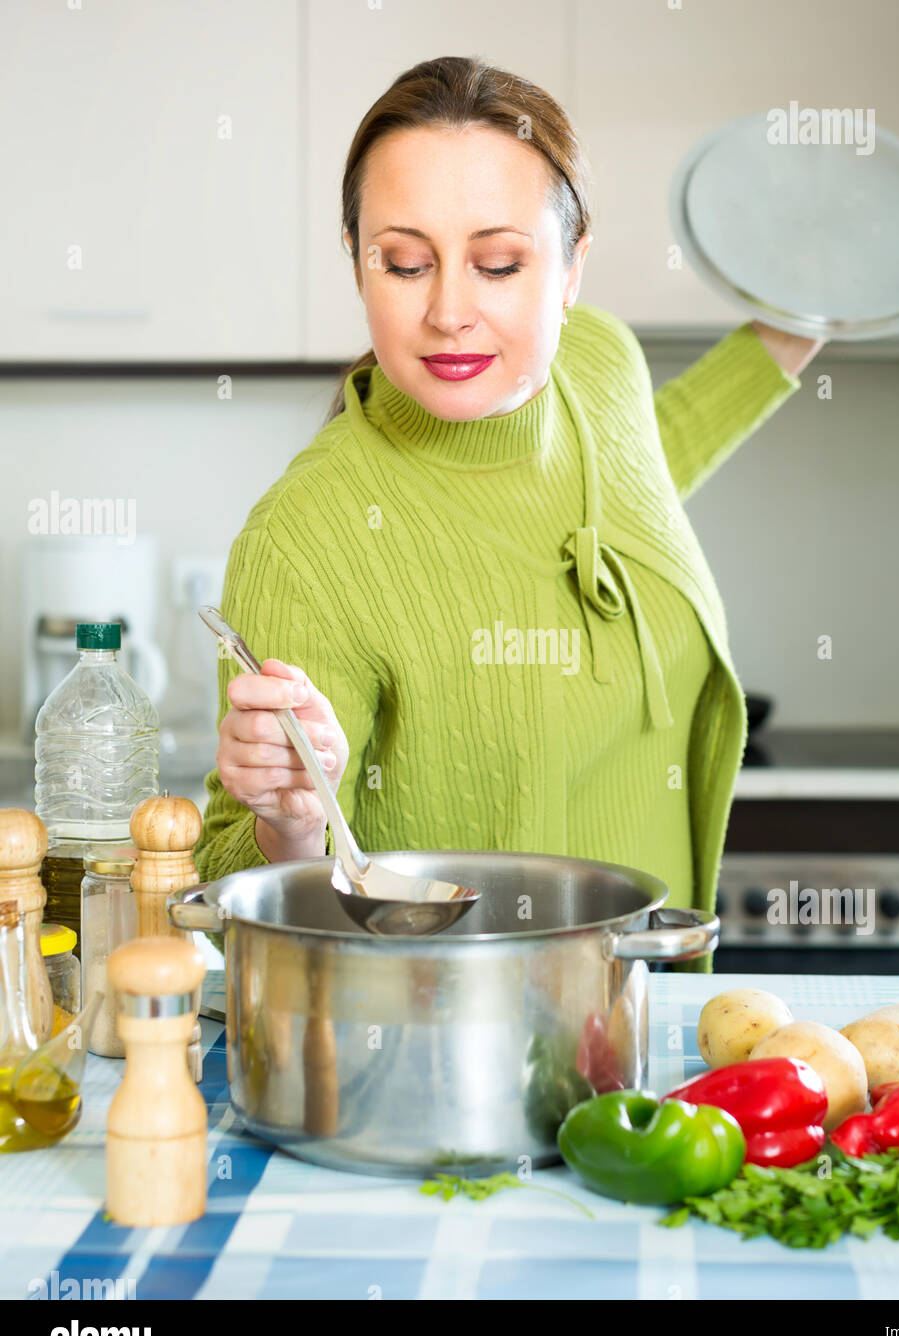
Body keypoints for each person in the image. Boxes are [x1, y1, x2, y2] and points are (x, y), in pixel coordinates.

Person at [193, 55, 821, 930]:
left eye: (497, 264)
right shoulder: (310, 539)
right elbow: (222, 878)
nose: (450, 311)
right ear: (357, 262)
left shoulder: (597, 360)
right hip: (445, 1036)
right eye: (406, 264)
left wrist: (809, 315)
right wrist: (289, 819)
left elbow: (637, 474)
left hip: (646, 1012)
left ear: (572, 268)